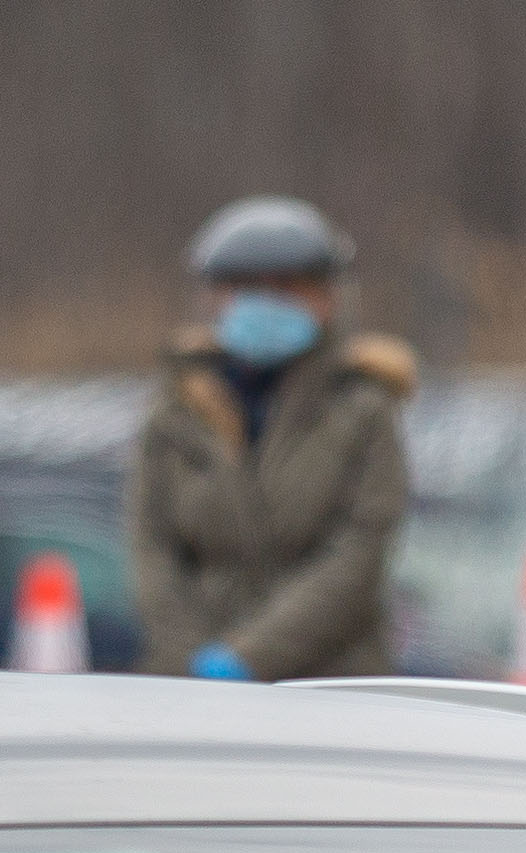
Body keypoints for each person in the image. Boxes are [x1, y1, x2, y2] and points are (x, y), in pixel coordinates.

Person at [127, 195, 414, 683]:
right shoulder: (173, 413)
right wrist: (191, 662)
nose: (264, 302)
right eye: (244, 287)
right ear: (212, 298)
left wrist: (250, 657)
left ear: (328, 298)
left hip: (332, 683)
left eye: (287, 287)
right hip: (188, 689)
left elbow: (358, 554)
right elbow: (150, 550)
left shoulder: (363, 408)